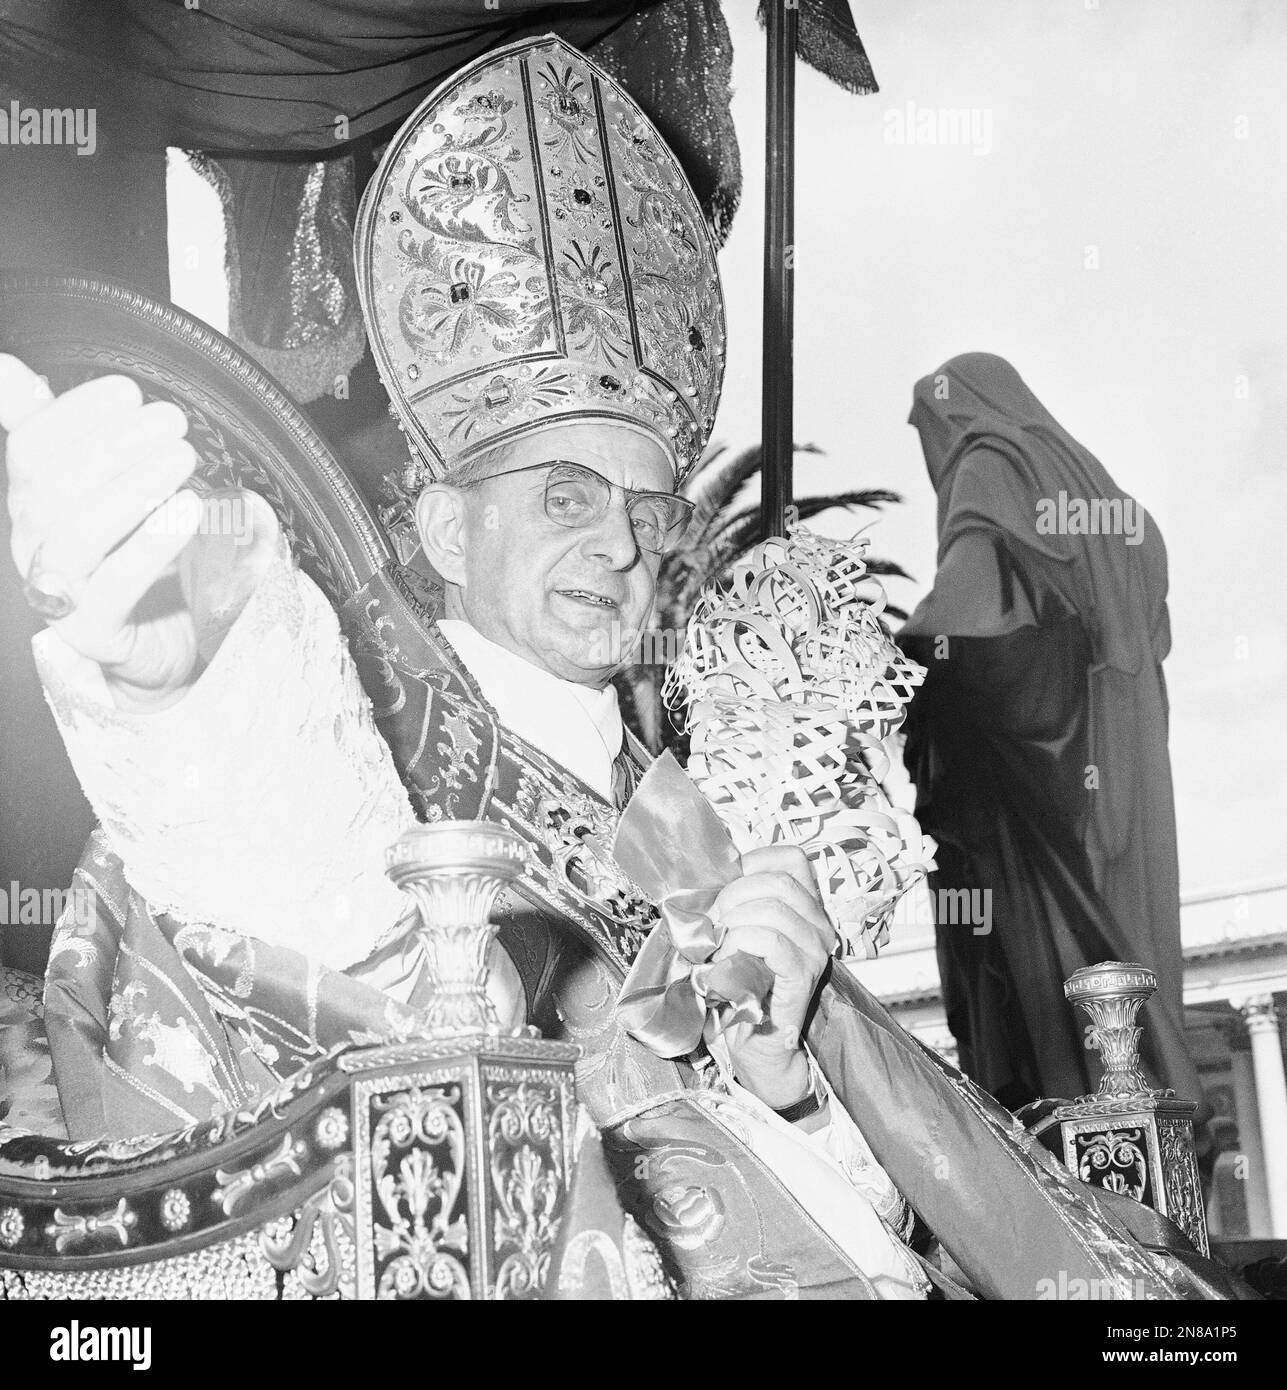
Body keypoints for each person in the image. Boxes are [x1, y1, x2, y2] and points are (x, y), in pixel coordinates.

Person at [0, 43, 1238, 1299]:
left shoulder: (676, 814)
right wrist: (178, 667)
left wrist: (790, 1080)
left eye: (649, 511)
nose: (623, 543)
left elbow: (829, 1194)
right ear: (445, 531)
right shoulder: (378, 728)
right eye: (565, 494)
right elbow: (311, 906)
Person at [898, 353, 1202, 1117]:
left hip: (1027, 780)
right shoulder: (1096, 492)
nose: (934, 457)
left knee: (1037, 969)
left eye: (927, 432)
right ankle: (1147, 1104)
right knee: (1118, 933)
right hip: (1113, 759)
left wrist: (878, 656)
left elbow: (964, 620)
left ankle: (1073, 1130)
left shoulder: (988, 458)